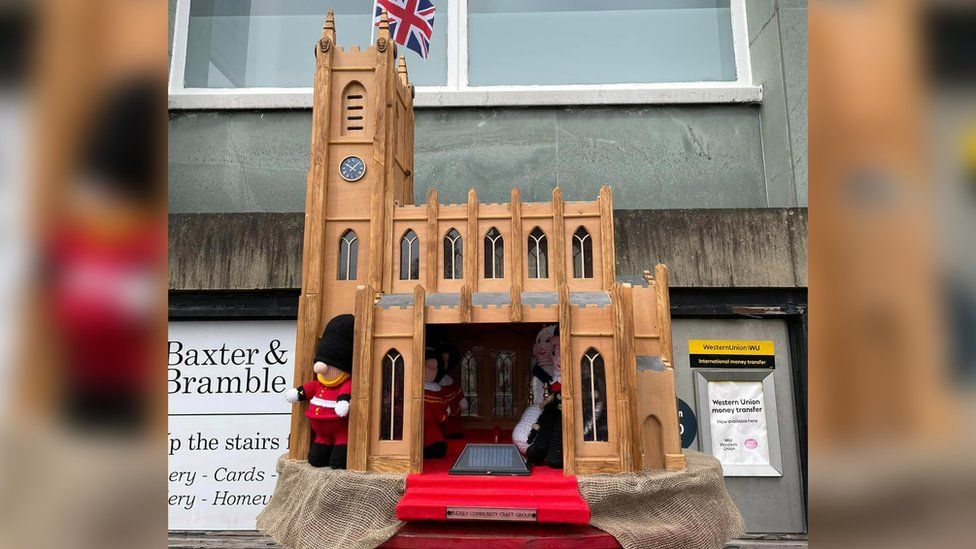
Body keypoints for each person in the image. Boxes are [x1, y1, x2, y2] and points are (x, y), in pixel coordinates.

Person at [285, 314, 355, 468]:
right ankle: (320, 454)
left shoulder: (345, 382)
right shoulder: (319, 383)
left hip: (339, 430)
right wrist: (298, 393)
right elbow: (308, 389)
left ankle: (340, 456)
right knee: (316, 458)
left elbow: (345, 393)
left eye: (328, 364)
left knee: (340, 452)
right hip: (320, 434)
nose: (320, 368)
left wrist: (342, 402)